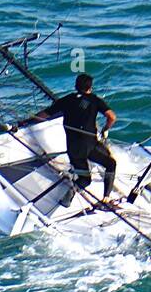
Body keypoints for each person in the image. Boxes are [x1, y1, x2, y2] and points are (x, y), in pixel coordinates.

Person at [30, 72, 117, 204]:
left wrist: (26, 121)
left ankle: (74, 189)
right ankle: (106, 198)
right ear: (90, 87)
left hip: (74, 148)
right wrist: (105, 129)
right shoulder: (94, 100)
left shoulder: (66, 100)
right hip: (90, 146)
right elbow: (112, 117)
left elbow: (43, 115)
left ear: (76, 86)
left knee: (85, 179)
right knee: (111, 163)